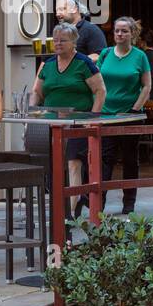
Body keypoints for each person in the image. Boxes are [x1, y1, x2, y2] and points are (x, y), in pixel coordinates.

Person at [32, 22, 106, 215]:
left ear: (74, 42)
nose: (57, 44)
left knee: (73, 162)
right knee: (54, 164)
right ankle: (62, 204)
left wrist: (94, 118)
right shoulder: (47, 64)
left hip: (77, 121)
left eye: (62, 40)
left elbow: (100, 91)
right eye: (55, 40)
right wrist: (32, 113)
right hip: (51, 122)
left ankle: (69, 212)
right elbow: (37, 93)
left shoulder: (84, 63)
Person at [96, 16, 152, 215]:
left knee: (130, 159)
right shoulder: (105, 54)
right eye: (117, 31)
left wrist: (135, 109)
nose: (119, 34)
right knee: (105, 158)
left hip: (130, 114)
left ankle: (129, 203)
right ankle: (98, 202)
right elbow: (96, 82)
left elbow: (147, 86)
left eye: (124, 31)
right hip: (106, 114)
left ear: (132, 34)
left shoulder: (139, 56)